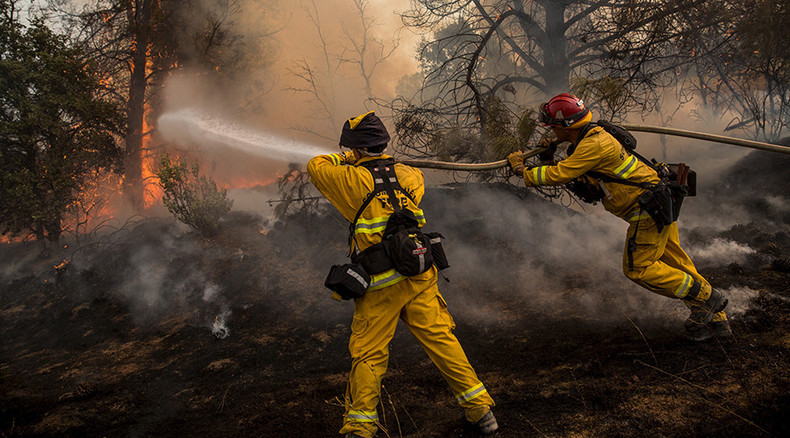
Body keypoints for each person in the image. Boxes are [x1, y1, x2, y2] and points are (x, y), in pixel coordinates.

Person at [307, 111, 498, 438]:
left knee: (369, 354)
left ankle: (359, 428)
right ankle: (482, 412)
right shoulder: (411, 175)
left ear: (355, 149)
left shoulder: (350, 180)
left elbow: (316, 165)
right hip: (419, 273)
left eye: (349, 148)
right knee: (442, 340)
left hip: (380, 284)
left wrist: (345, 159)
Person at [507, 93, 731, 341]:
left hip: (647, 211)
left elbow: (559, 174)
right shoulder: (592, 137)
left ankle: (707, 298)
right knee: (676, 264)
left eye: (552, 126)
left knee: (639, 269)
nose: (550, 131)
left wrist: (521, 170)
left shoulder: (593, 145)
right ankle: (717, 320)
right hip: (660, 203)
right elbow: (583, 182)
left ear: (565, 126)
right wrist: (547, 157)